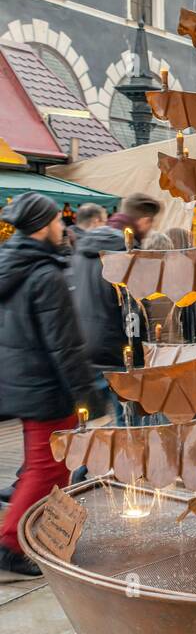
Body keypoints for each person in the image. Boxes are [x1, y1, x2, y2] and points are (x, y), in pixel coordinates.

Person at [0, 193, 96, 579]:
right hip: (46, 388)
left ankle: (37, 533)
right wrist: (86, 395)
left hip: (25, 383)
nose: (62, 225)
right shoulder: (45, 274)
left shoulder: (15, 265)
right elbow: (64, 345)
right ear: (42, 226)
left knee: (47, 467)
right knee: (46, 468)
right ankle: (10, 543)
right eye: (57, 220)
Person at [68, 192, 160, 421]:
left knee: (94, 423)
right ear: (143, 221)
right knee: (131, 422)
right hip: (118, 352)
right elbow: (132, 309)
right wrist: (139, 357)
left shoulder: (82, 248)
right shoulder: (125, 252)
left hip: (85, 347)